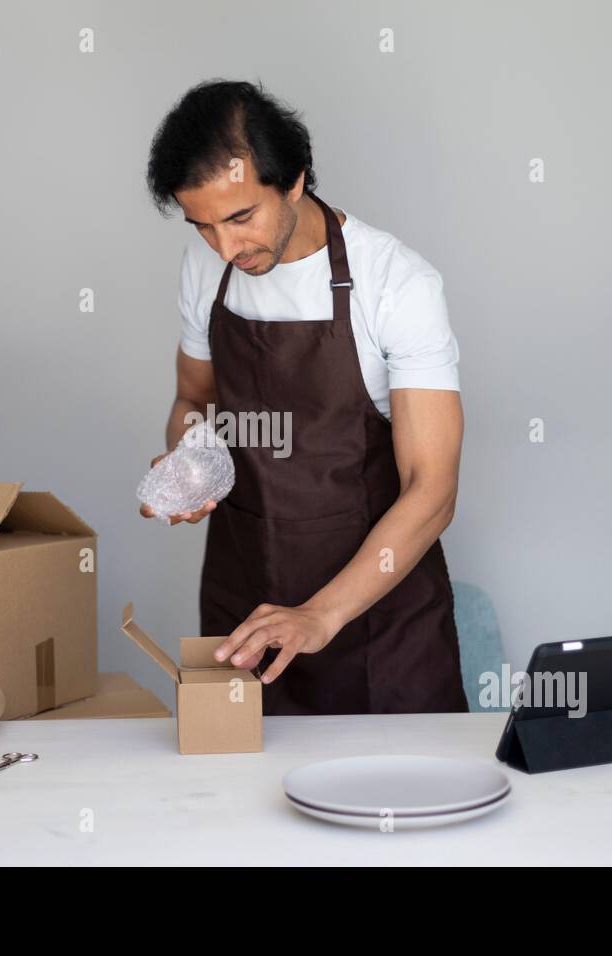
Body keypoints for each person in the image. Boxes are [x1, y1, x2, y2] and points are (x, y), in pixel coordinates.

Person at [142, 79, 469, 716]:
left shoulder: (396, 284)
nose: (226, 248)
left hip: (380, 621)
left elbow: (433, 489)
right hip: (245, 613)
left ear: (293, 180)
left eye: (241, 217)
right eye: (203, 226)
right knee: (241, 803)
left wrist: (319, 616)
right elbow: (192, 401)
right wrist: (191, 462)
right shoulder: (204, 266)